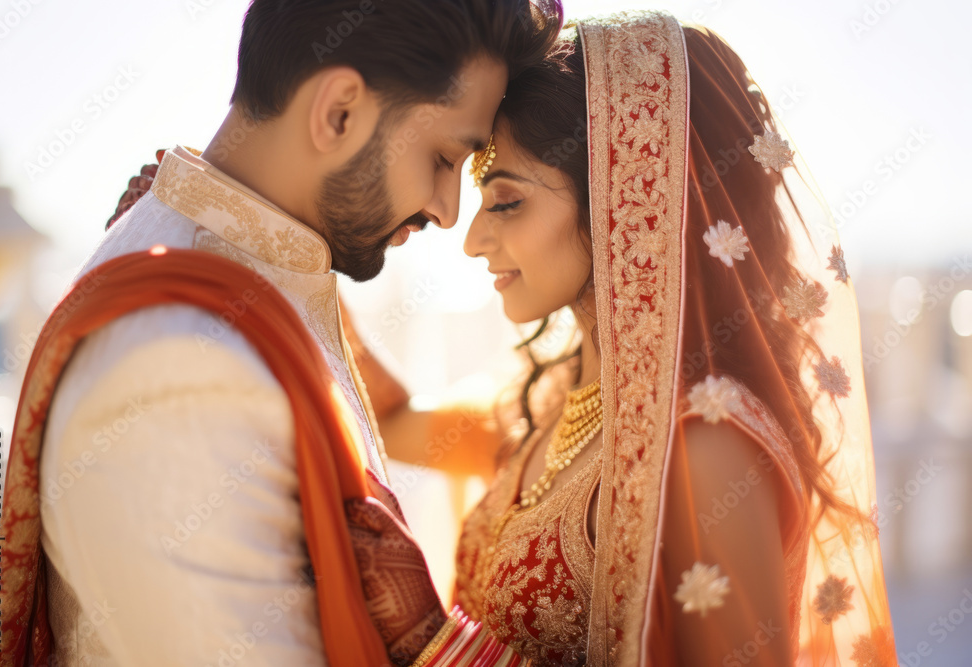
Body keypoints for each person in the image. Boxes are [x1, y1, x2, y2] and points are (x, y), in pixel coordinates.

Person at [0, 1, 563, 665]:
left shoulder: (255, 271)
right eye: (442, 157)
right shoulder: (181, 366)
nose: (448, 210)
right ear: (338, 112)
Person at [372, 11, 898, 666]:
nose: (473, 240)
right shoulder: (547, 404)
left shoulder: (706, 451)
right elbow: (388, 419)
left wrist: (436, 639)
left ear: (626, 198)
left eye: (506, 202)